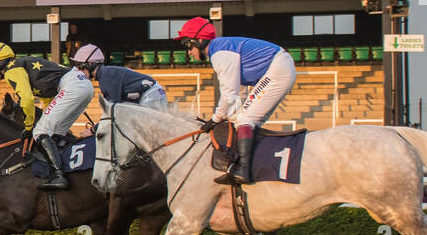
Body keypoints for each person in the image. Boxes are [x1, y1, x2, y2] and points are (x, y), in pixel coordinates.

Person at [178, 17, 296, 185]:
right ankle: (250, 165)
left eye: (188, 45)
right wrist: (228, 116)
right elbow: (237, 91)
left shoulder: (220, 54)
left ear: (200, 40)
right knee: (243, 119)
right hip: (278, 67)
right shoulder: (220, 51)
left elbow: (229, 93)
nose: (189, 52)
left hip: (278, 69)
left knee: (245, 119)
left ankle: (243, 170)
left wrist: (215, 118)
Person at [0, 41, 92, 191]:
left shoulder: (12, 70)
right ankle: (67, 170)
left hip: (72, 86)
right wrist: (44, 117)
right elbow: (47, 98)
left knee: (40, 132)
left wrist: (28, 126)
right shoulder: (21, 66)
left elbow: (26, 99)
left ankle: (59, 175)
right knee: (55, 134)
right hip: (83, 86)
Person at [72, 44, 168, 112]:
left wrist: (93, 130)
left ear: (90, 64)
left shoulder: (106, 78)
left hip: (151, 94)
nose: (79, 70)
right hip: (151, 93)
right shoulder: (106, 74)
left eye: (79, 65)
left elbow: (113, 110)